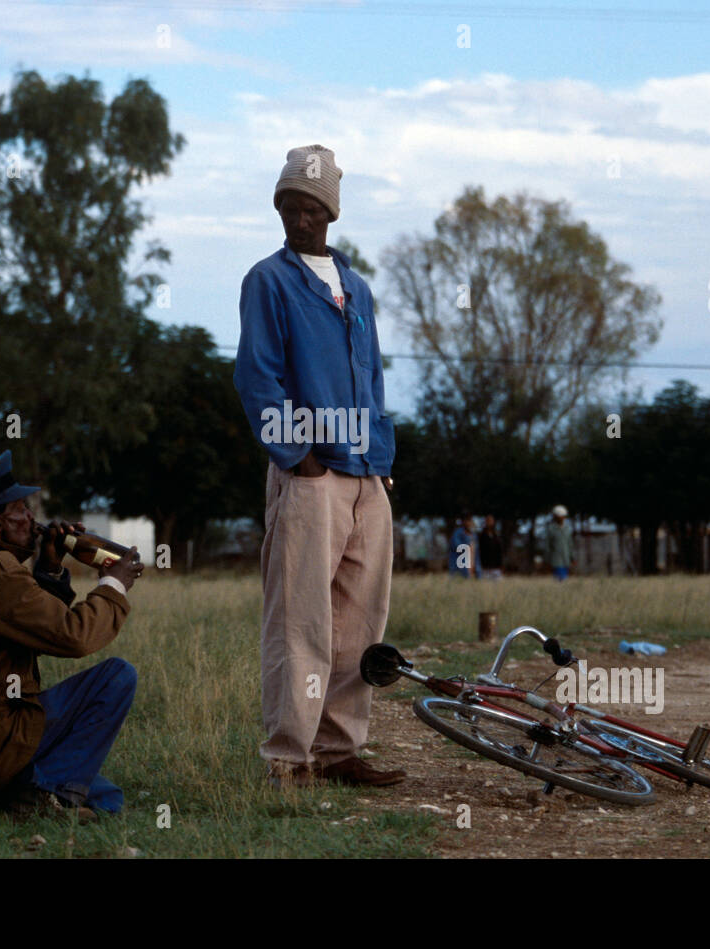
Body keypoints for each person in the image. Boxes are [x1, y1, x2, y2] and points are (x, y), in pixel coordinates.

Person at [234, 144, 403, 789]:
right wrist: (298, 458)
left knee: (361, 621)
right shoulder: (268, 281)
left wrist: (381, 460)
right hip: (310, 473)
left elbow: (374, 379)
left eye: (311, 209)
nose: (299, 220)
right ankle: (288, 757)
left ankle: (338, 751)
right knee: (300, 620)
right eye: (289, 207)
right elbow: (257, 377)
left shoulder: (357, 288)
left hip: (368, 474)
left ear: (332, 213)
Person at [0, 450, 144, 822]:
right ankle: (39, 798)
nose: (32, 519)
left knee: (107, 798)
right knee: (116, 676)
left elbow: (30, 625)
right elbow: (73, 636)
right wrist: (113, 585)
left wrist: (49, 566)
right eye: (19, 510)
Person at [546, 504, 575, 581]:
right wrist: (547, 559)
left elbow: (570, 544)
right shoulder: (551, 529)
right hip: (556, 560)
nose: (561, 518)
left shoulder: (568, 529)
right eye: (558, 516)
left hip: (566, 559)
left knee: (564, 580)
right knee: (558, 580)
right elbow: (547, 546)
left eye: (562, 516)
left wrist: (572, 557)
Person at [478, 515, 504, 579]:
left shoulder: (496, 535)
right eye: (488, 521)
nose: (489, 523)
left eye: (491, 521)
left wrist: (501, 565)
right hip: (485, 567)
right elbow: (479, 551)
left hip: (496, 567)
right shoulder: (482, 535)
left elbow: (499, 551)